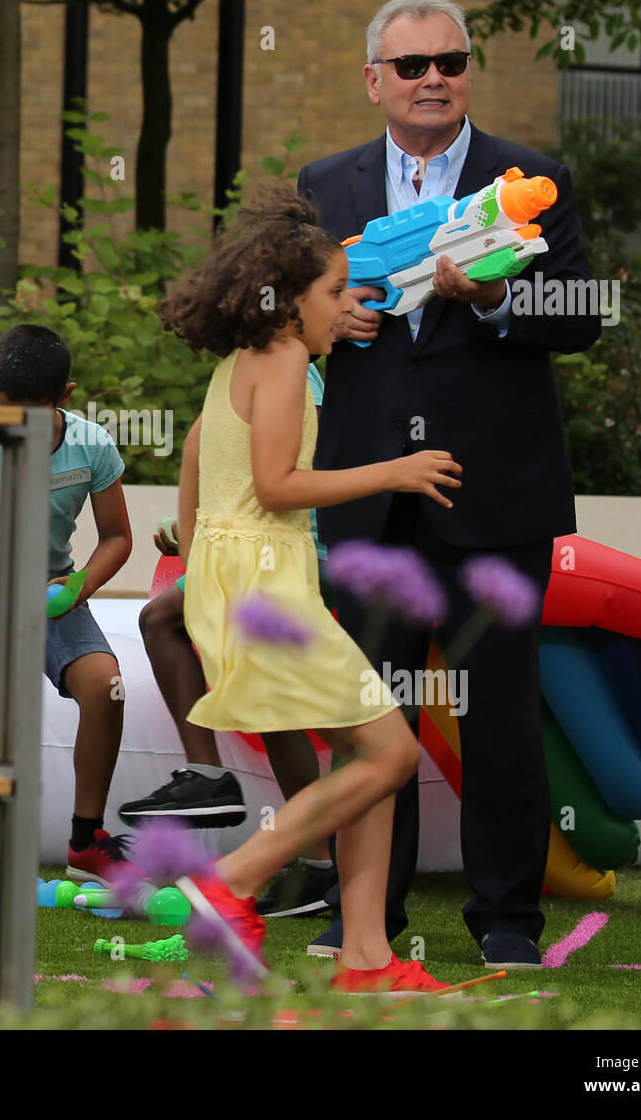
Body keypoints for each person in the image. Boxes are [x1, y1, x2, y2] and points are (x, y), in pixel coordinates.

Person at [297, 0, 601, 968]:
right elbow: (266, 300)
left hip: (495, 489)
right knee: (367, 709)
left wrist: (505, 300)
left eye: (451, 62)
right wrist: (319, 322)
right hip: (365, 489)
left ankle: (506, 922)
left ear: (468, 72)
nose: (435, 78)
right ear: (374, 79)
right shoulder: (324, 182)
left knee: (499, 712)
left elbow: (583, 312)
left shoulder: (533, 179)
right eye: (414, 64)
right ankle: (367, 924)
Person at [160, 183, 463, 990]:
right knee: (392, 749)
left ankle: (366, 955)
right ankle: (233, 881)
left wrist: (199, 577)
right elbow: (277, 482)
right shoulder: (289, 357)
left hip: (239, 582)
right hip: (267, 584)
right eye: (333, 291)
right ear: (289, 302)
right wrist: (395, 471)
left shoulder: (243, 359)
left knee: (371, 748)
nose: (347, 304)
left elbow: (195, 460)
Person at [119, 366, 342, 919]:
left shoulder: (290, 376)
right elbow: (228, 469)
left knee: (161, 621)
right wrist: (192, 523)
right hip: (262, 548)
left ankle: (210, 779)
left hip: (286, 553)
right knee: (275, 706)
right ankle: (317, 867)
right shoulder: (249, 371)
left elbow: (282, 483)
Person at [0, 324, 135, 883]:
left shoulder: (92, 445)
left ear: (63, 398)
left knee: (106, 686)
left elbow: (117, 538)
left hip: (54, 594)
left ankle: (86, 839)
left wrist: (78, 587)